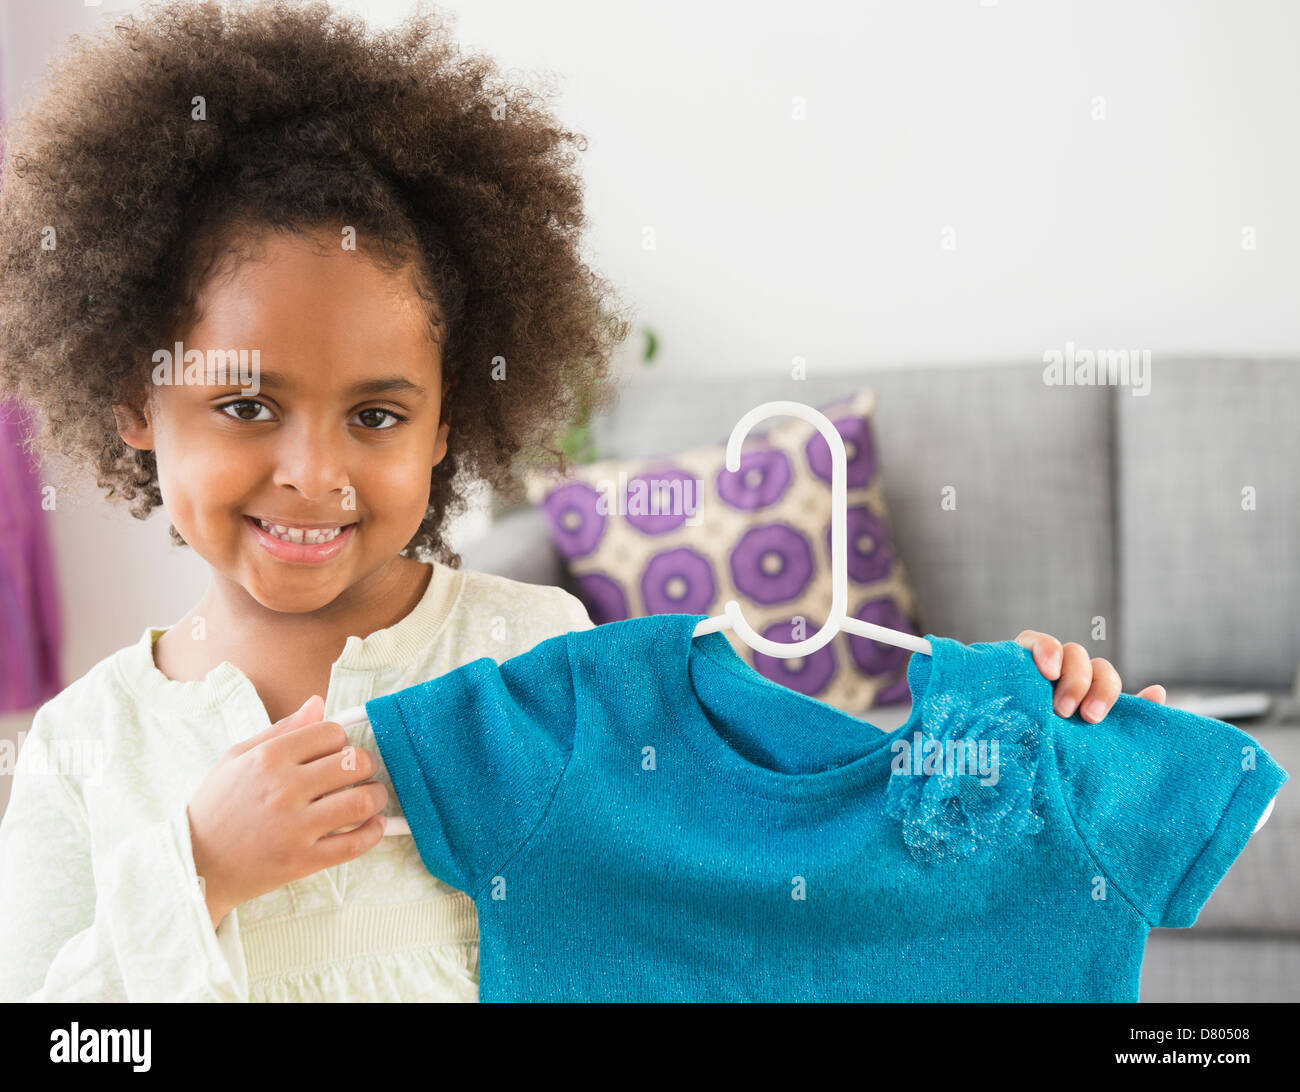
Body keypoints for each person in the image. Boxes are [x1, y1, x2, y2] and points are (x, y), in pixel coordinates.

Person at [0, 0, 1165, 1001]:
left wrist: (1018, 754)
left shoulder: (534, 655)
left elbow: (777, 862)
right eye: (246, 406)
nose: (315, 472)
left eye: (377, 414)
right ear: (134, 405)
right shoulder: (83, 749)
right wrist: (197, 868)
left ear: (450, 423)